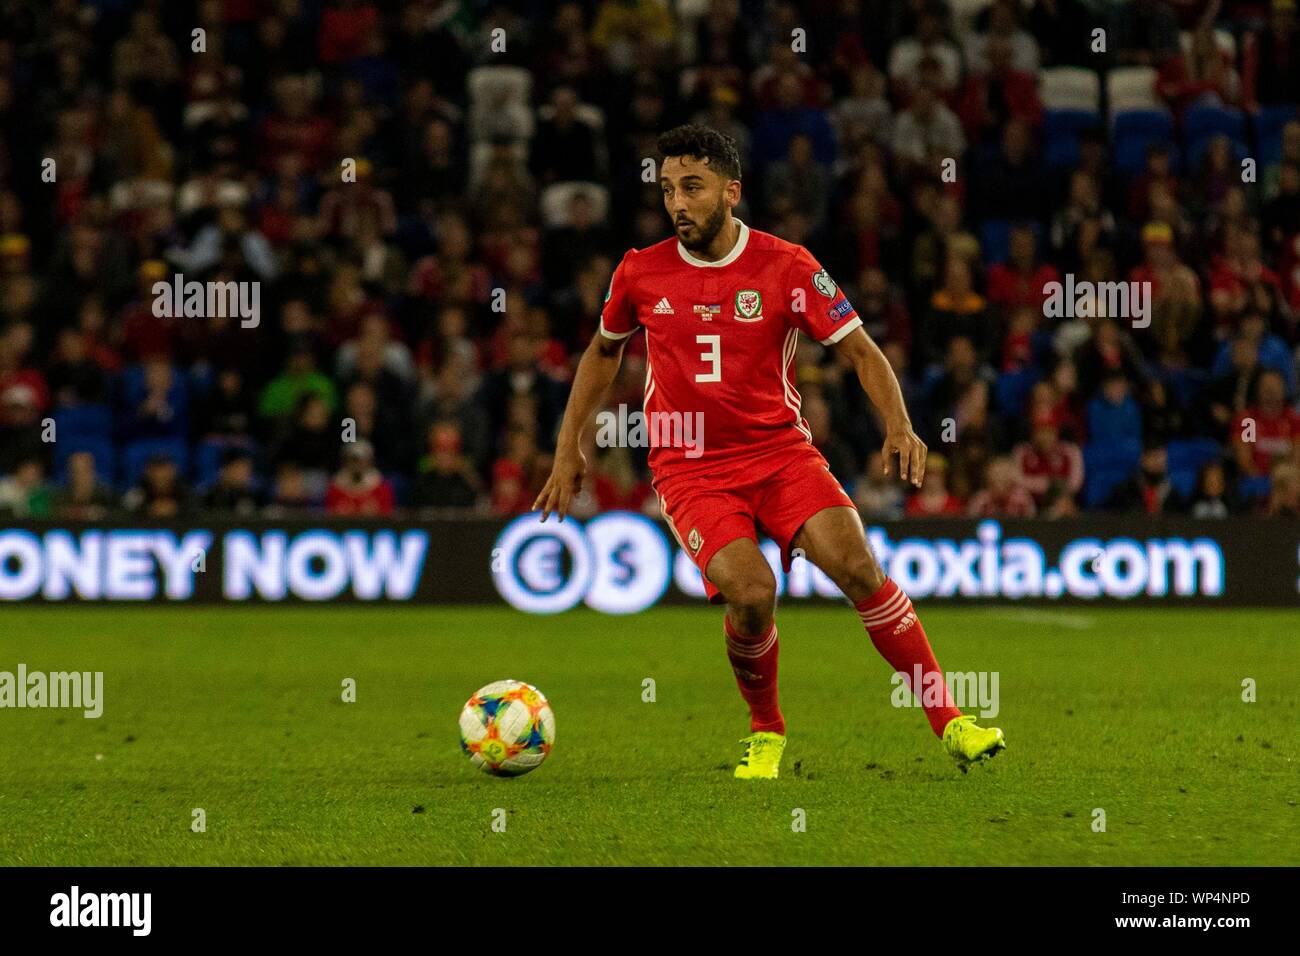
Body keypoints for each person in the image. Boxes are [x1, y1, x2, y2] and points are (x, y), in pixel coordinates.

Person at [532, 125, 1005, 779]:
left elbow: (860, 351)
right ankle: (766, 729)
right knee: (753, 594)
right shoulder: (641, 271)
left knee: (859, 568)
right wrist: (568, 451)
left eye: (691, 187)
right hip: (690, 465)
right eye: (668, 189)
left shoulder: (787, 265)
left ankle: (950, 720)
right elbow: (602, 352)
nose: (677, 203)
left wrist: (899, 423)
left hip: (780, 451)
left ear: (731, 191)